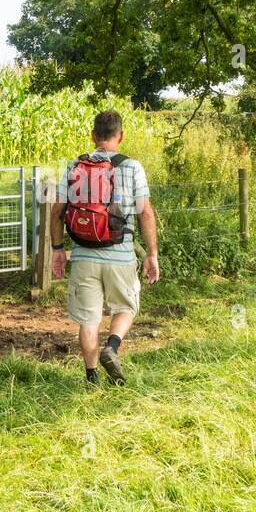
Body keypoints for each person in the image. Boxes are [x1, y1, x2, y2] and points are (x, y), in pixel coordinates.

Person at [52, 110, 159, 385]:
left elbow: (57, 211)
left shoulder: (75, 165)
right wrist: (152, 254)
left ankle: (91, 378)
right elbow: (145, 212)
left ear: (93, 136)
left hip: (84, 255)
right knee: (126, 306)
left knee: (88, 319)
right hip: (121, 255)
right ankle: (111, 347)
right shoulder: (132, 166)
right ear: (120, 136)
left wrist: (57, 249)